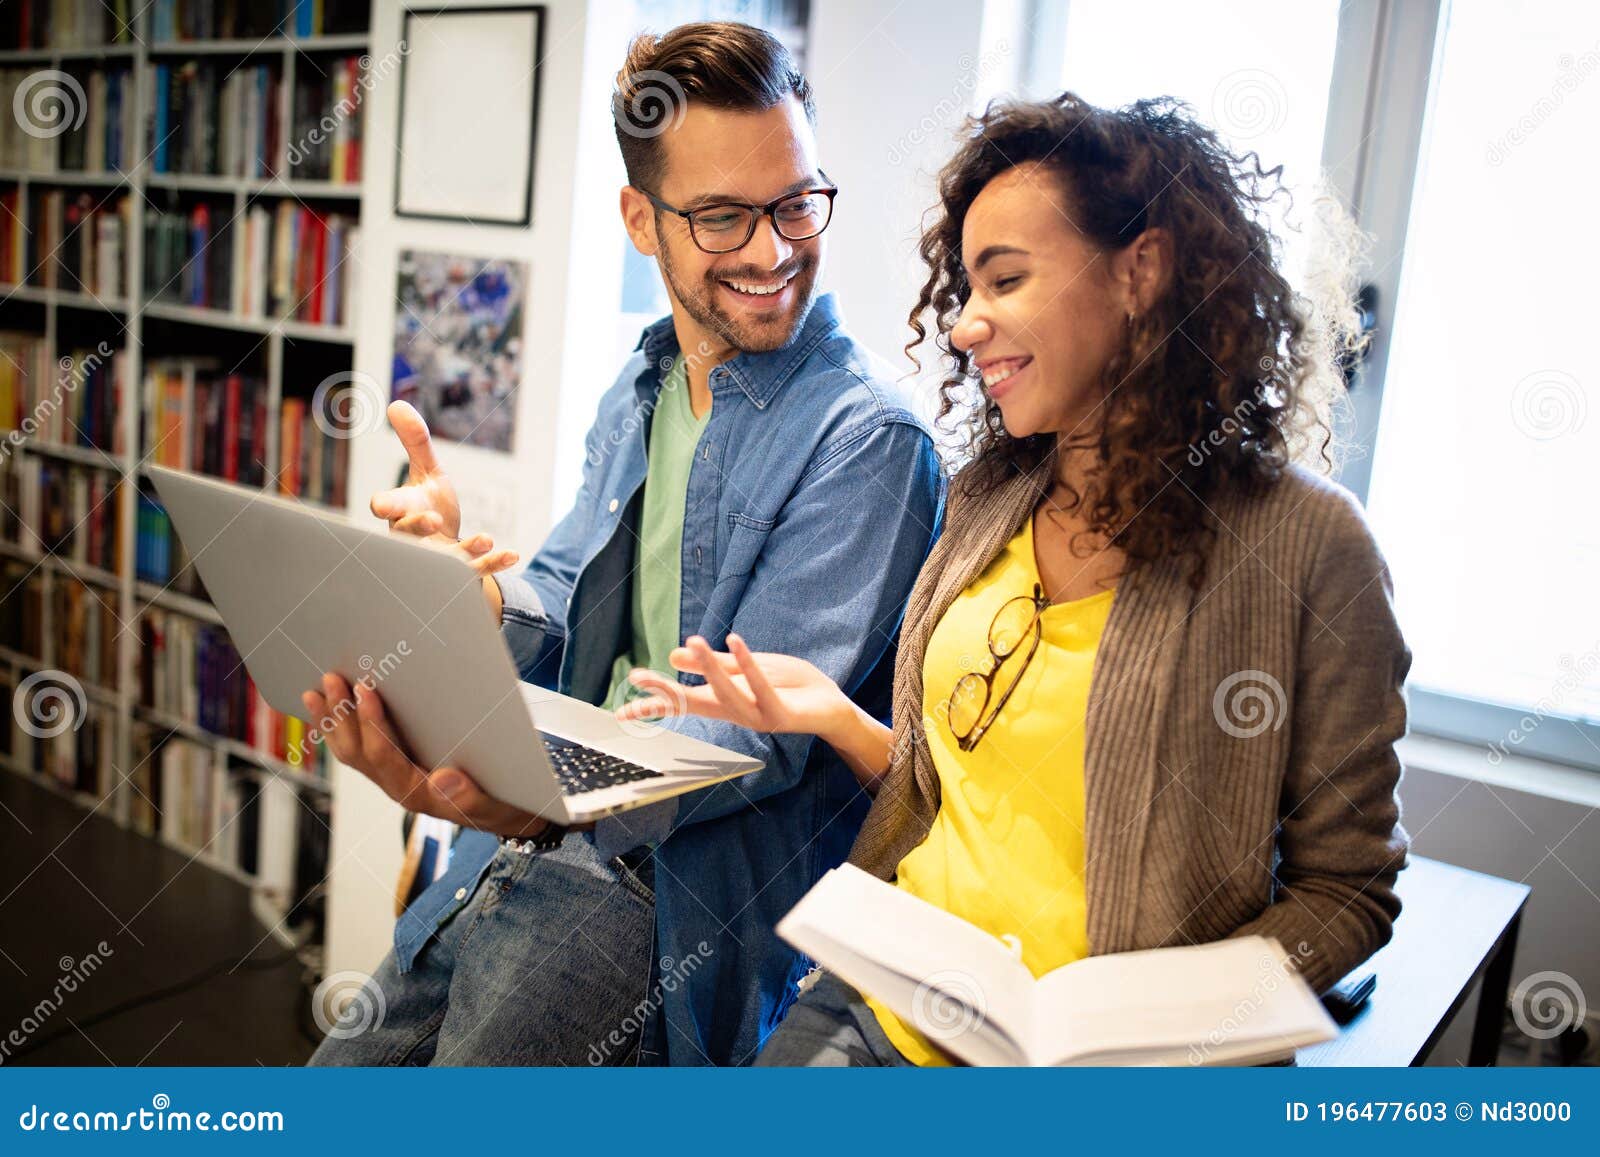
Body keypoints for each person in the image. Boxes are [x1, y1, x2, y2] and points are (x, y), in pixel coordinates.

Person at [618, 92, 1410, 1066]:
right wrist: (835, 716)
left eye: (1004, 280)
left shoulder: (1306, 544)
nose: (964, 327)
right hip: (890, 1013)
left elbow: (1349, 892)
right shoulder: (987, 496)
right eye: (965, 291)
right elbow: (957, 797)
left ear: (1141, 272)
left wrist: (1165, 1021)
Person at [304, 22, 941, 1067]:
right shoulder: (641, 384)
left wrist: (526, 787)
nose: (773, 249)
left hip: (657, 901)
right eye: (724, 216)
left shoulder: (868, 439)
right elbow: (562, 601)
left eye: (796, 201)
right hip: (519, 846)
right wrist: (468, 595)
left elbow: (747, 742)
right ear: (640, 220)